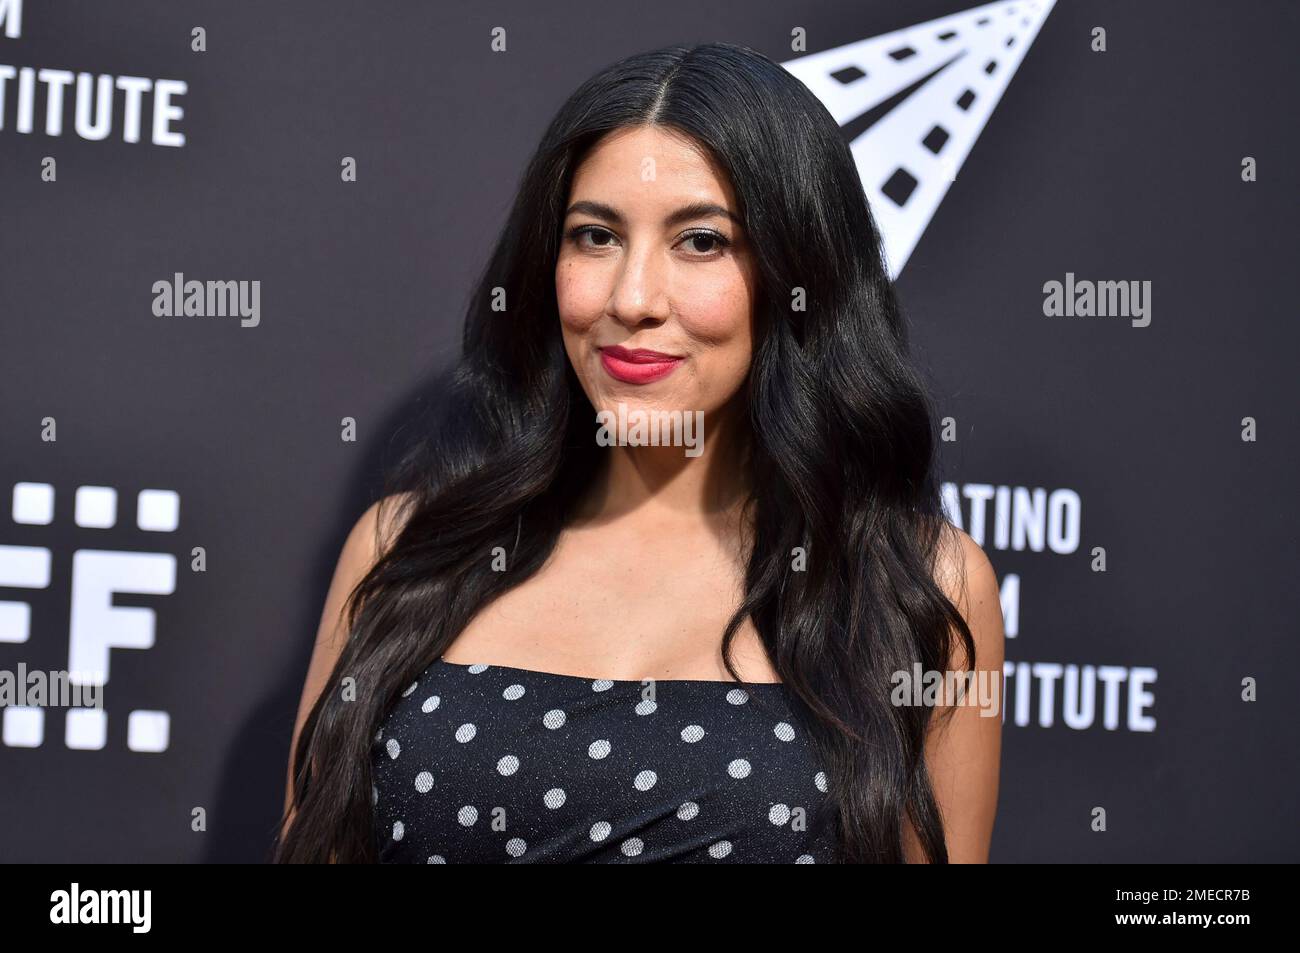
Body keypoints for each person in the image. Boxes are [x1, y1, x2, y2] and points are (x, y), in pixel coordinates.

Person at [275, 41, 1003, 864]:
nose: (630, 299)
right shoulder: (408, 550)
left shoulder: (913, 585)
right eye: (595, 236)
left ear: (800, 271)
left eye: (701, 241)